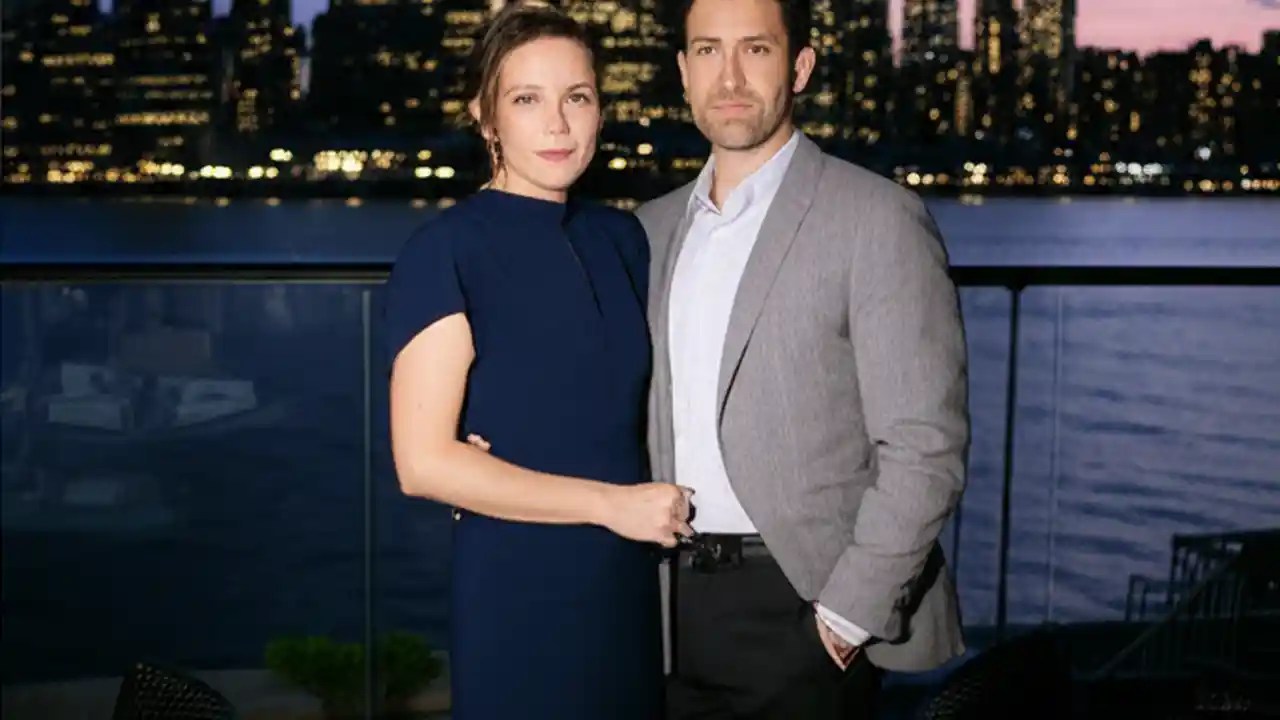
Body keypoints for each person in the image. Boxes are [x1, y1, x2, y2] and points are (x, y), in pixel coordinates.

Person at [636, 0, 972, 716]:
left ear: (800, 67)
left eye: (755, 50)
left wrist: (844, 619)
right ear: (683, 73)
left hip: (801, 603)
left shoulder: (876, 217)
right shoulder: (648, 229)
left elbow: (927, 447)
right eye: (706, 51)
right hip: (661, 607)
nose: (728, 75)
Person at [383, 4, 691, 717]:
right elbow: (421, 464)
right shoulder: (445, 252)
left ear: (600, 110)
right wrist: (610, 505)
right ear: (487, 118)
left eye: (576, 98)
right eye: (527, 100)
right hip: (519, 580)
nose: (558, 124)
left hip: (624, 576)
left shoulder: (623, 239)